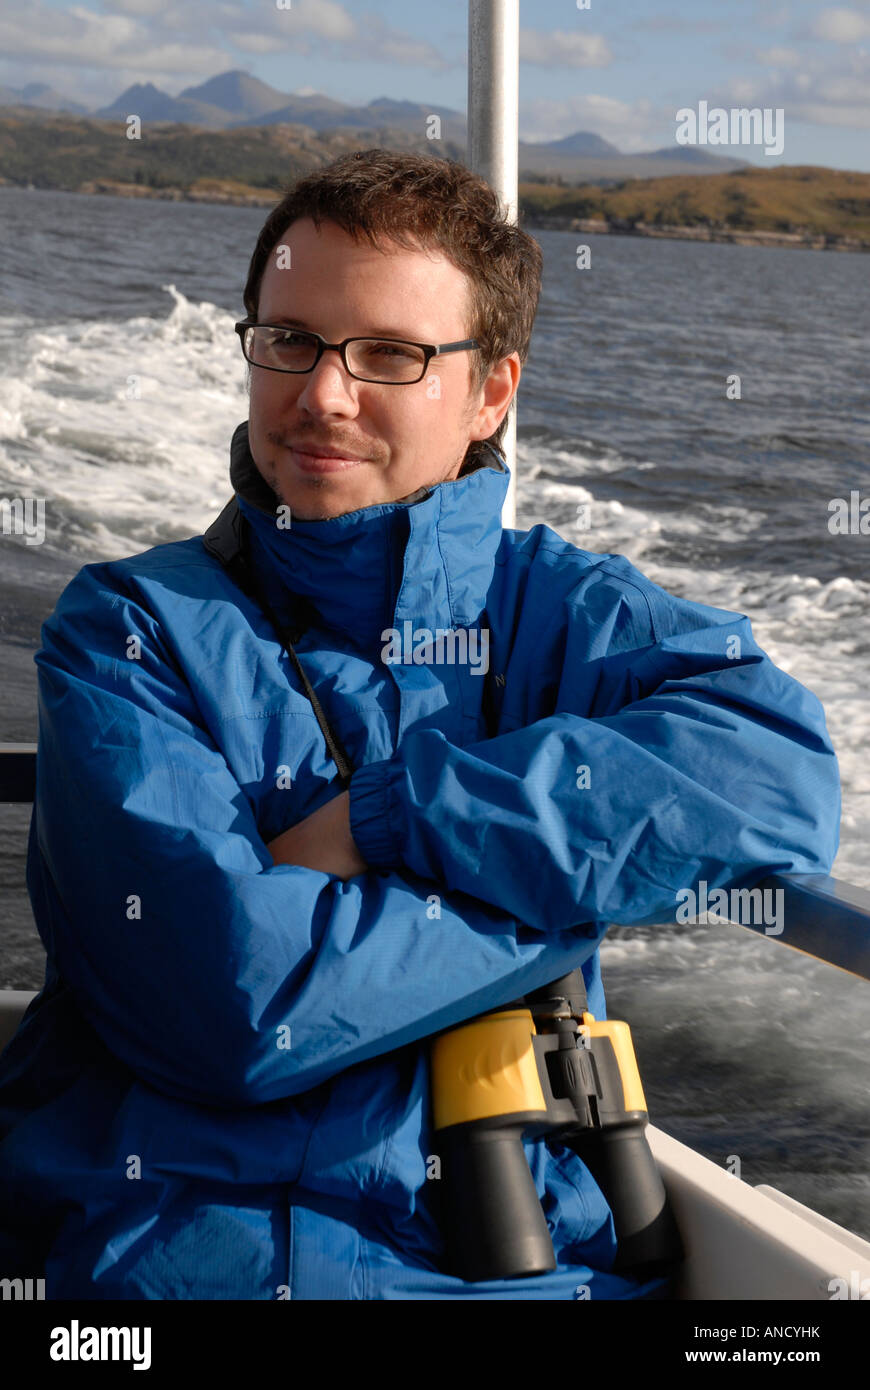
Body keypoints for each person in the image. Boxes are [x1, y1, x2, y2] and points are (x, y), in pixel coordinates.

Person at [0, 149, 840, 1301]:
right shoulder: (132, 628)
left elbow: (780, 779)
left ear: (492, 390)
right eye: (288, 339)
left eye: (389, 354)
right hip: (175, 1262)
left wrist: (392, 815)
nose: (322, 395)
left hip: (525, 1274)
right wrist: (565, 890)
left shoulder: (563, 616)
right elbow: (232, 1009)